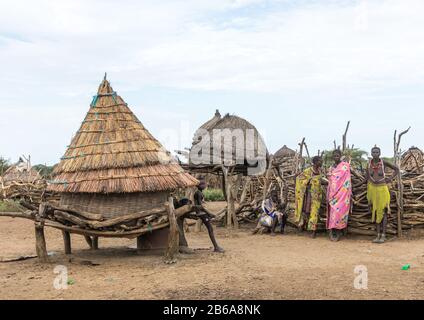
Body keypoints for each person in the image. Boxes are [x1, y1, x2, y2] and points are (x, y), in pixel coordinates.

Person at [176, 180, 225, 253]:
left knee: (210, 229)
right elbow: (200, 206)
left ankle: (216, 246)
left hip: (201, 212)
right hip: (201, 213)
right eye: (204, 184)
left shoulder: (199, 193)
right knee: (210, 229)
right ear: (200, 185)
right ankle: (216, 247)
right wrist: (209, 213)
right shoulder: (198, 193)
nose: (205, 185)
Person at [366, 146, 399, 244]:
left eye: (377, 152)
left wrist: (390, 178)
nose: (375, 153)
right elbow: (366, 177)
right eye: (373, 152)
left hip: (382, 189)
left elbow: (396, 169)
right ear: (371, 153)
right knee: (375, 212)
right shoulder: (368, 164)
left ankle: (383, 235)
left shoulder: (384, 162)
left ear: (379, 153)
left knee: (384, 212)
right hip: (372, 189)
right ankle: (378, 235)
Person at [326, 149, 352, 242]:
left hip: (343, 194)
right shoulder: (331, 167)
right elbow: (330, 179)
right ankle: (332, 230)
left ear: (340, 156)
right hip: (333, 193)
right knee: (333, 212)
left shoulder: (345, 166)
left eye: (337, 155)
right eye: (334, 155)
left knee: (340, 213)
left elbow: (347, 179)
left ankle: (338, 231)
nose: (336, 157)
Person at [295, 156, 324, 238]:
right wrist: (309, 182)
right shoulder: (308, 171)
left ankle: (313, 231)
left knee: (315, 212)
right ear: (315, 162)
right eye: (320, 161)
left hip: (317, 195)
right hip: (309, 195)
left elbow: (321, 181)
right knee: (306, 212)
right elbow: (299, 179)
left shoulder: (320, 171)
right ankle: (303, 227)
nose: (321, 163)